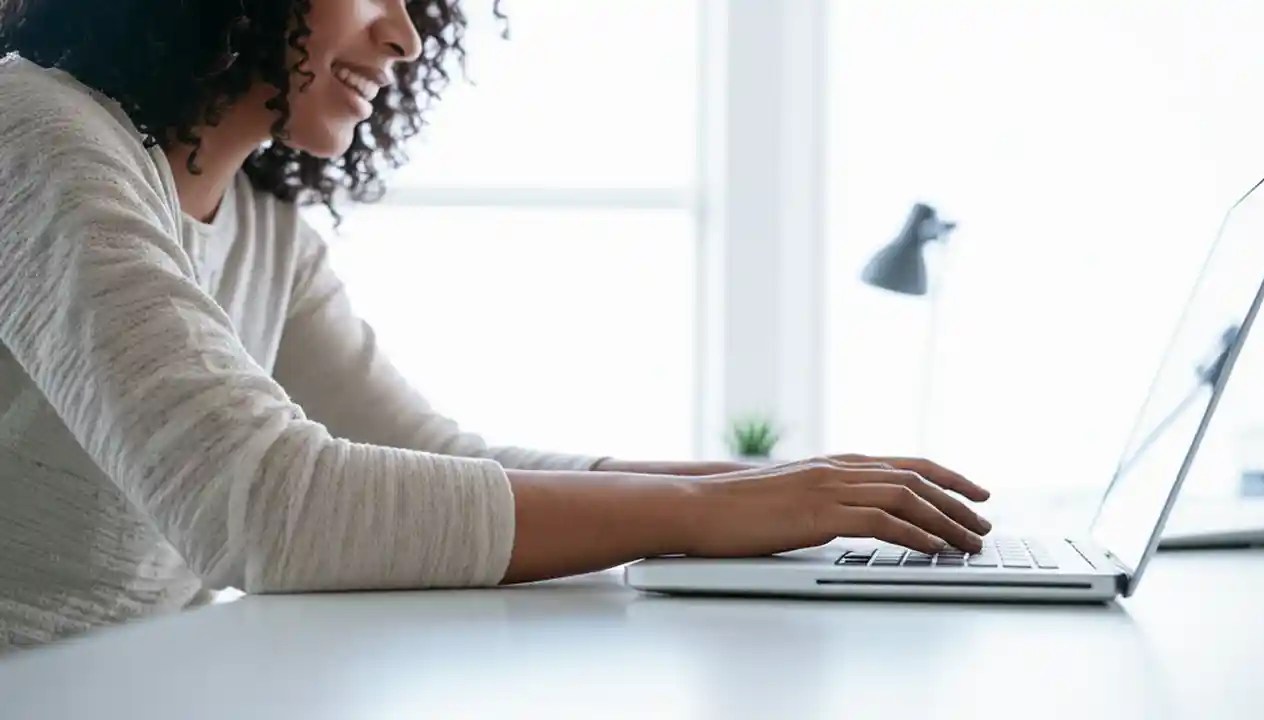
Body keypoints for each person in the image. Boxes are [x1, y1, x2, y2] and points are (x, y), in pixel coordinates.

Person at [0, 0, 992, 650]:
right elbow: (265, 506)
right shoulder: (32, 130)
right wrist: (701, 514)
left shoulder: (264, 225)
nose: (404, 36)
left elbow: (432, 454)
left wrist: (775, 489)